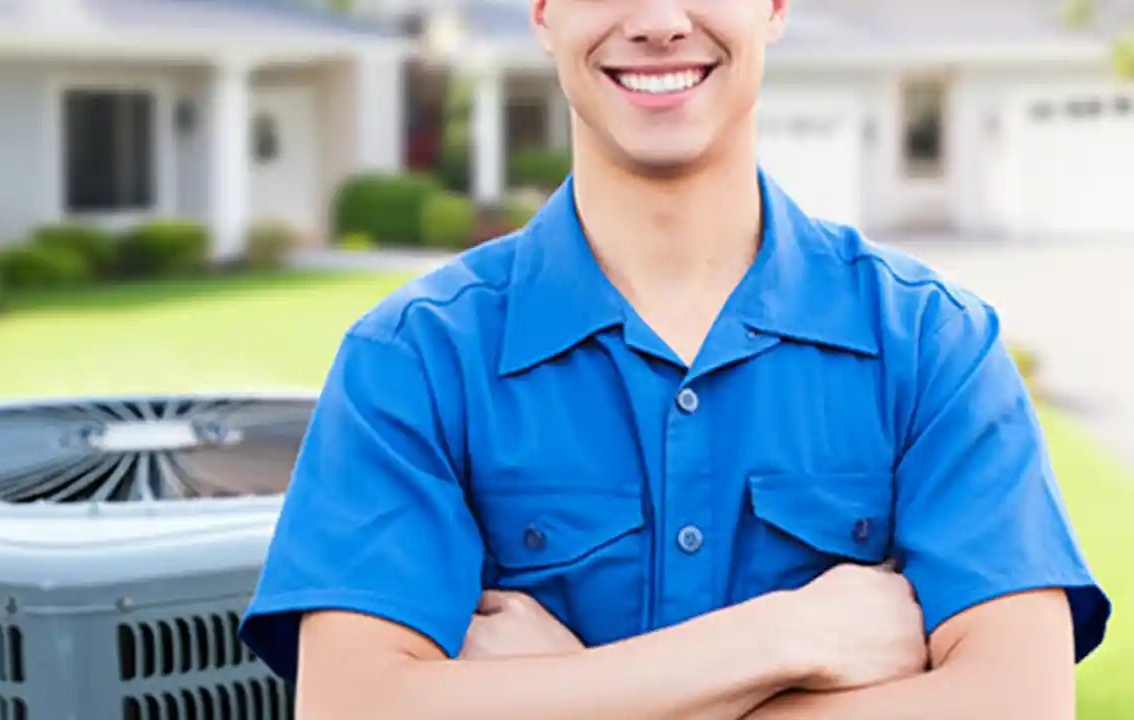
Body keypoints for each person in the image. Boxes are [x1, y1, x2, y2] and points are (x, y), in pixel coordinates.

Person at [239, 0, 1111, 716]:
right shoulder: (414, 362)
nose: (658, 20)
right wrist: (781, 640)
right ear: (542, 13)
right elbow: (354, 708)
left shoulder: (932, 345)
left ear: (773, 7)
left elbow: (1019, 702)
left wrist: (547, 696)